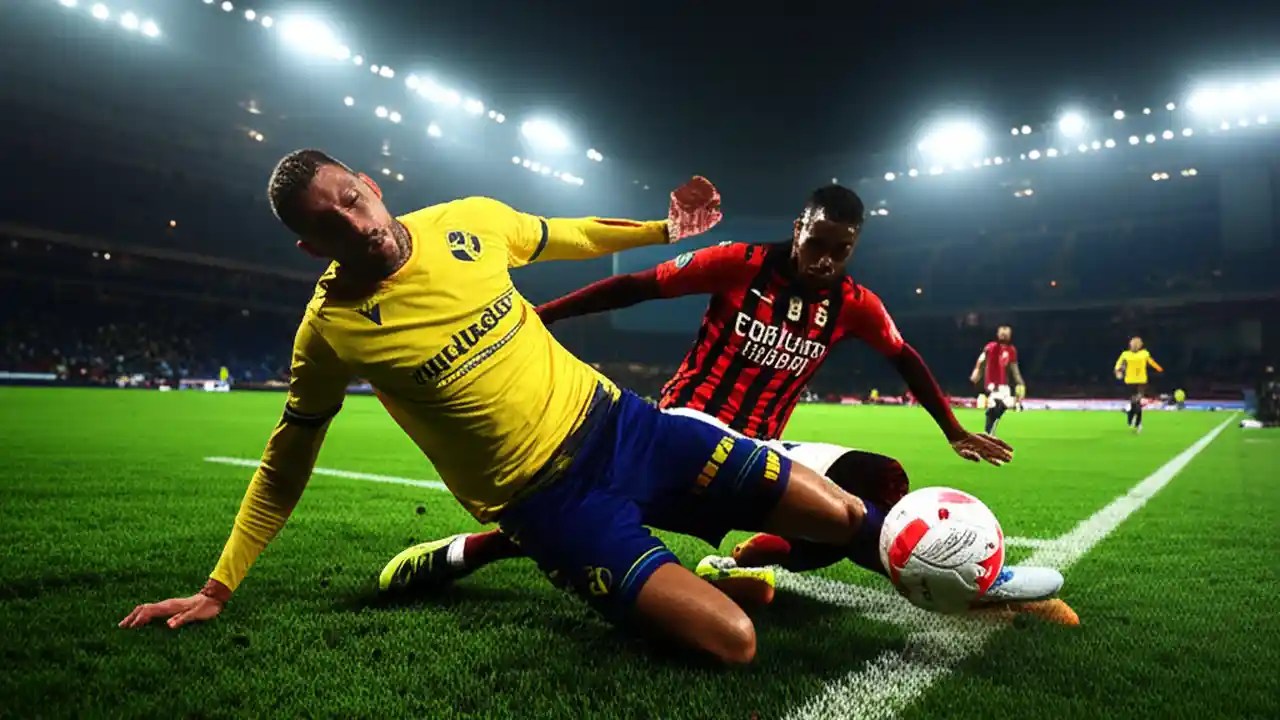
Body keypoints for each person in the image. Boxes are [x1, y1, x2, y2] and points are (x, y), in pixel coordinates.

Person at [118, 150, 954, 665]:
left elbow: (565, 233)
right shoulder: (331, 332)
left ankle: (974, 581)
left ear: (371, 185)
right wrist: (219, 587)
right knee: (732, 642)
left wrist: (665, 229)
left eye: (351, 197)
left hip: (626, 426)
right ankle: (513, 545)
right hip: (550, 503)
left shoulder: (468, 223)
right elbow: (285, 460)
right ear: (312, 245)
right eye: (327, 223)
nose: (353, 221)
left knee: (844, 513)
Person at [399, 185, 1069, 620]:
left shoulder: (855, 305)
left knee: (875, 481)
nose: (827, 261)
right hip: (688, 422)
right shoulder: (738, 262)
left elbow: (906, 359)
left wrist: (952, 428)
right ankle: (979, 584)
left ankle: (743, 558)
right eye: (817, 243)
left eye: (842, 251)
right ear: (797, 228)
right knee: (853, 493)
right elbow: (633, 288)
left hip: (762, 444)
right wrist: (541, 315)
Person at [970, 325, 1026, 436]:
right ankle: (988, 431)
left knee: (1004, 405)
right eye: (1002, 332)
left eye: (1006, 333)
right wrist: (976, 371)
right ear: (998, 334)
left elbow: (1014, 368)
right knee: (997, 404)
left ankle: (989, 430)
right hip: (992, 382)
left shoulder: (1011, 350)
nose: (1004, 334)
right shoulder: (990, 347)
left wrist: (1020, 382)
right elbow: (981, 360)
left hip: (1004, 384)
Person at [1115, 336, 1163, 433]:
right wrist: (1160, 369)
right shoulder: (1143, 354)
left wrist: (1118, 373)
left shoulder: (1126, 354)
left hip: (1132, 381)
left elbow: (1117, 366)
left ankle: (1135, 421)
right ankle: (1134, 420)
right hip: (1139, 381)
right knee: (1136, 402)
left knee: (1136, 402)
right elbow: (1152, 363)